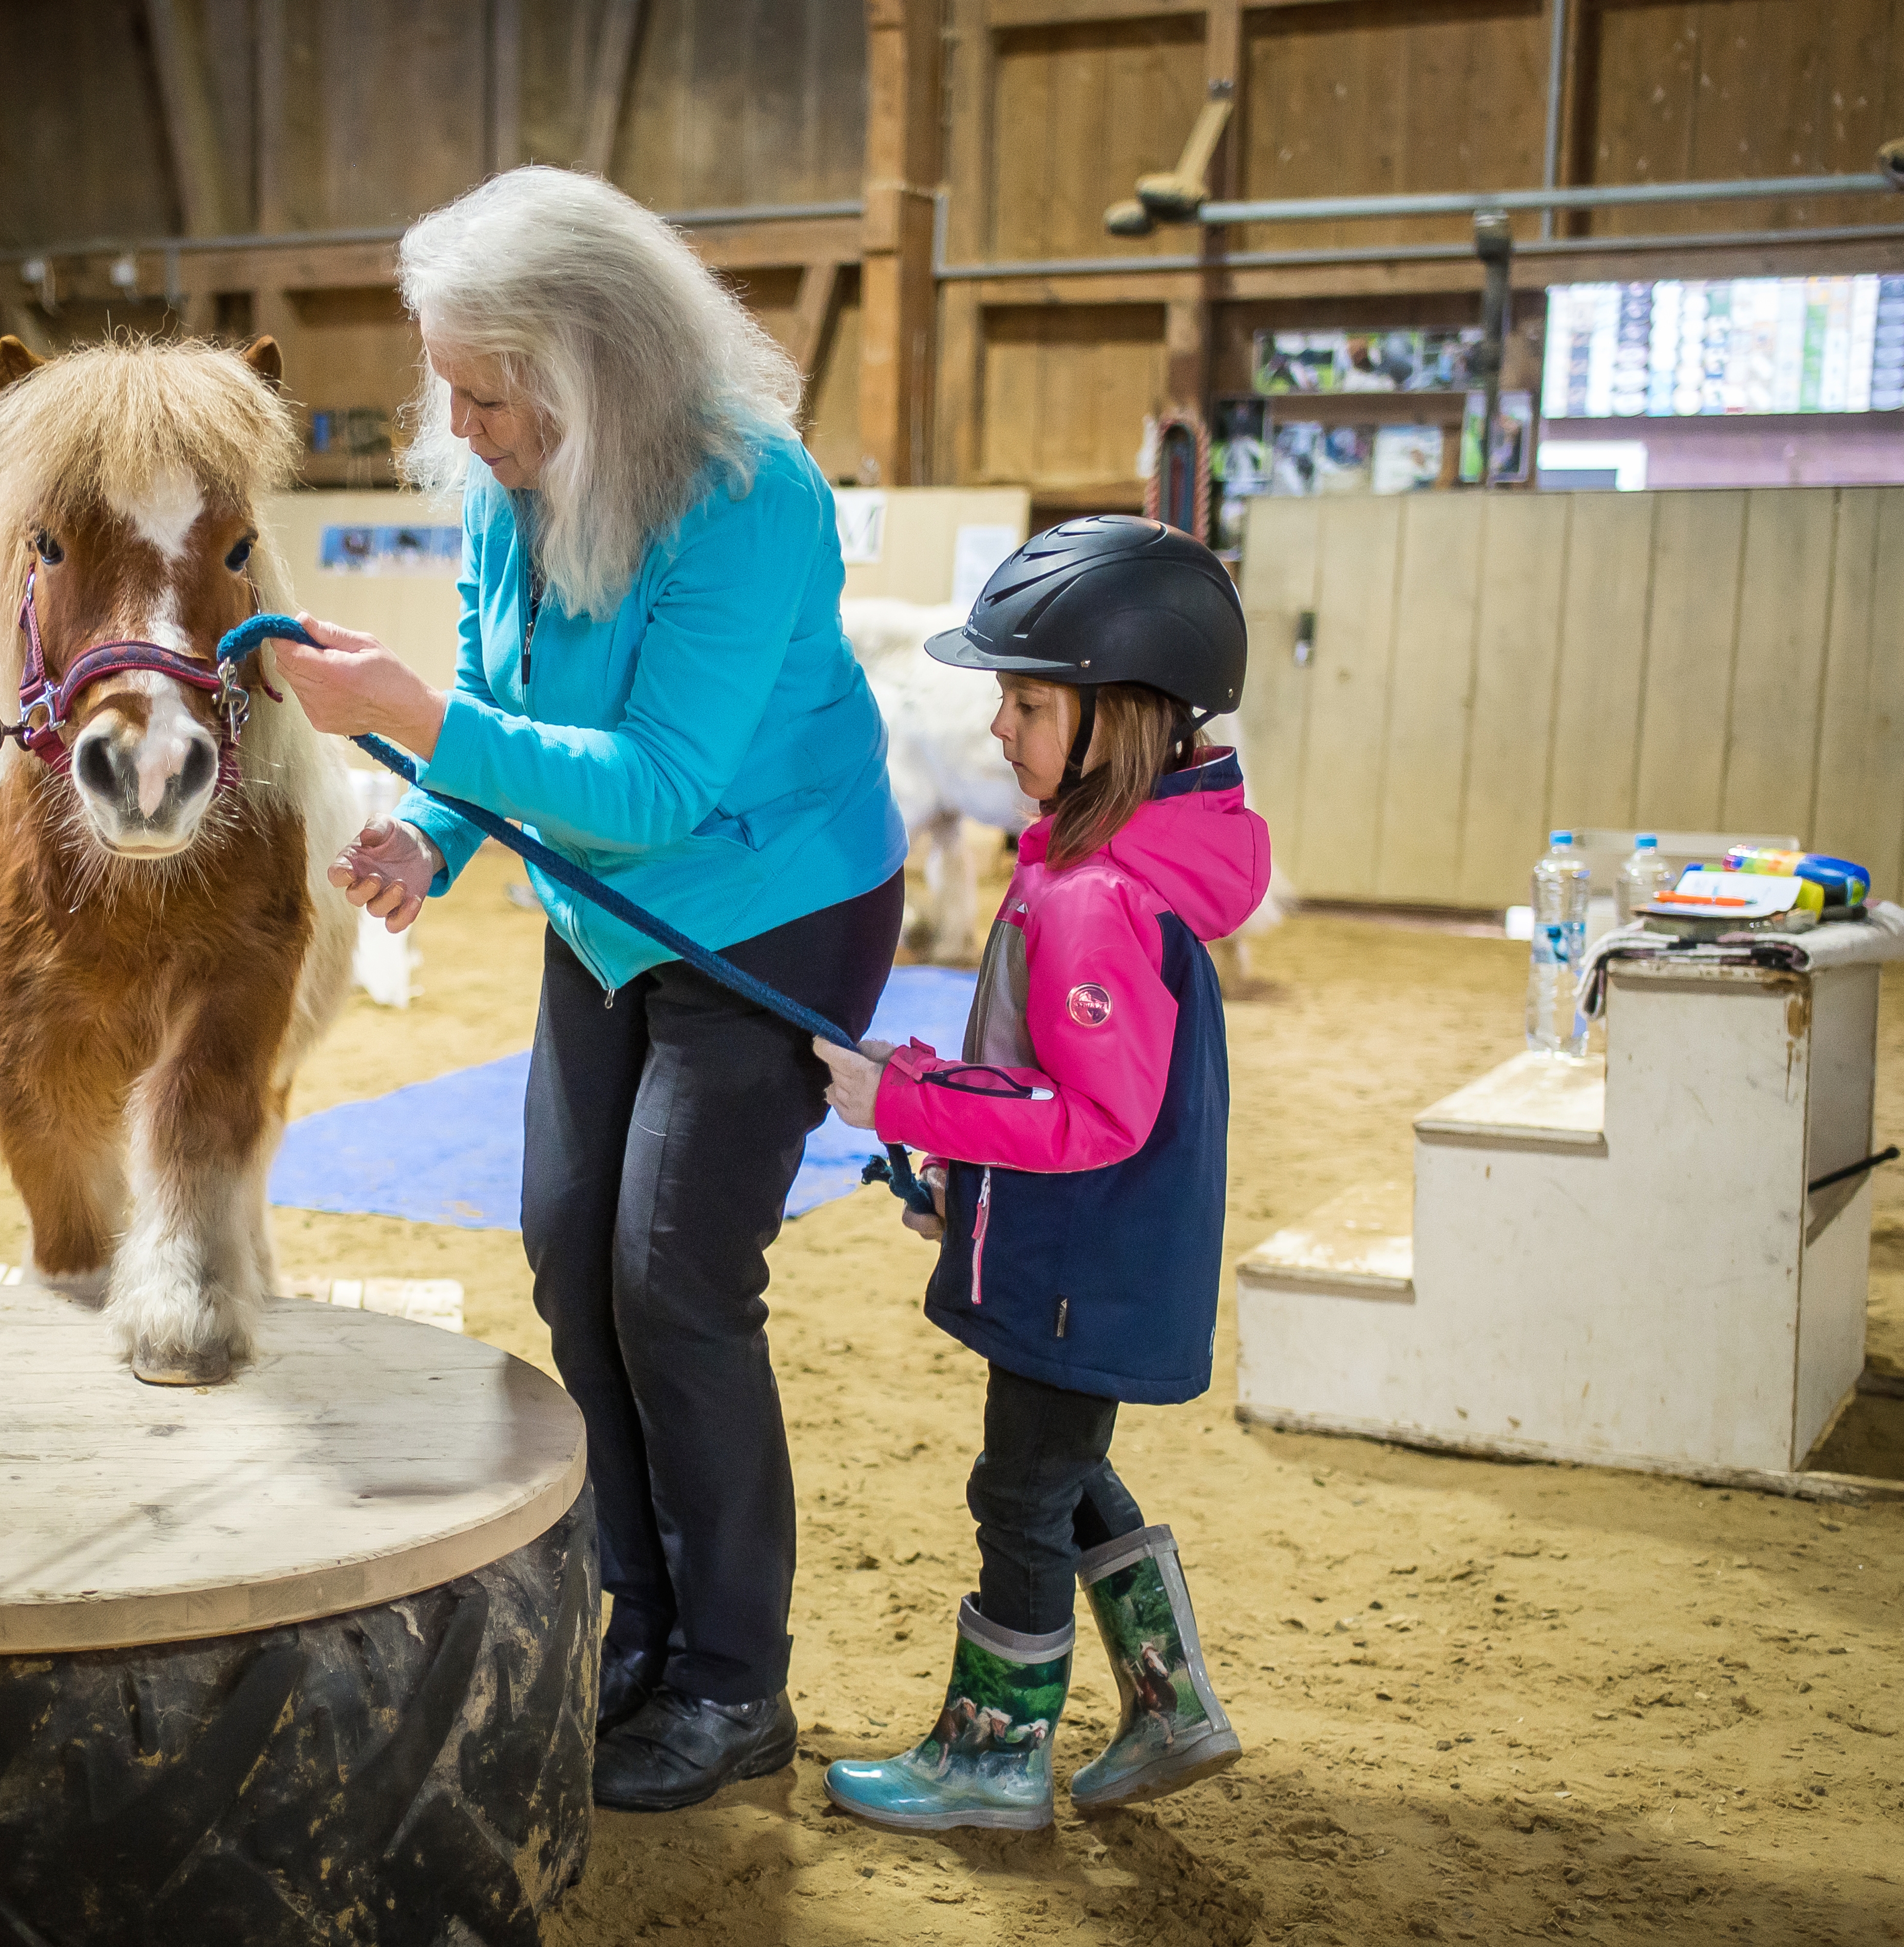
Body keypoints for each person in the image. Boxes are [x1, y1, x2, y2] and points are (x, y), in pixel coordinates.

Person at [272, 167, 906, 1813]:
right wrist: (431, 835)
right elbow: (496, 701)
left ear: (596, 363)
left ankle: (732, 1679)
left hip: (767, 911)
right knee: (568, 1248)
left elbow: (660, 783)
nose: (461, 423)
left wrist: (411, 717)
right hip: (606, 917)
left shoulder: (751, 494)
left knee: (674, 1281)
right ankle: (635, 1621)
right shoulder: (511, 492)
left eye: (490, 391)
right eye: (453, 386)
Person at [809, 516, 1264, 1833]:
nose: (997, 728)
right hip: (1083, 1243)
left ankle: (993, 1758)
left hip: (1081, 1259)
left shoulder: (1095, 895)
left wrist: (905, 1097)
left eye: (1024, 702)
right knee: (1063, 1471)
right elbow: (1063, 1085)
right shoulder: (1104, 863)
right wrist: (962, 1168)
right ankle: (1168, 1697)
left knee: (1018, 1488)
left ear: (1114, 720)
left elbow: (1094, 1114)